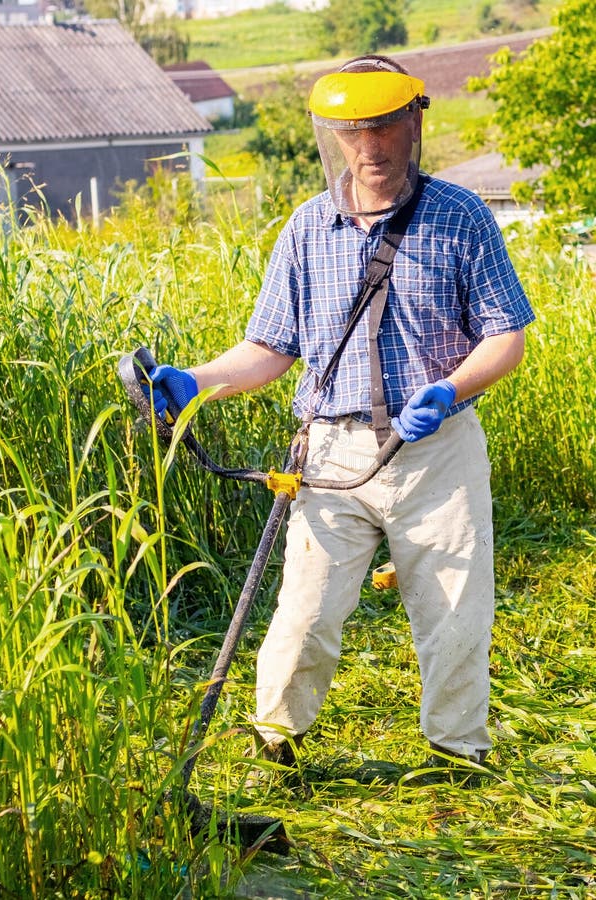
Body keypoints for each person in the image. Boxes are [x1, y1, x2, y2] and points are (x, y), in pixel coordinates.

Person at [143, 55, 535, 776]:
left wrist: (450, 389)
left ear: (415, 121)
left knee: (454, 616)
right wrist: (193, 381)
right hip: (328, 455)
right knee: (305, 614)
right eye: (354, 131)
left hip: (437, 451)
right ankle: (275, 740)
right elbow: (269, 347)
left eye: (385, 126)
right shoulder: (306, 229)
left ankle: (458, 755)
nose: (371, 146)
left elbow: (505, 332)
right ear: (335, 138)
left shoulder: (461, 217)